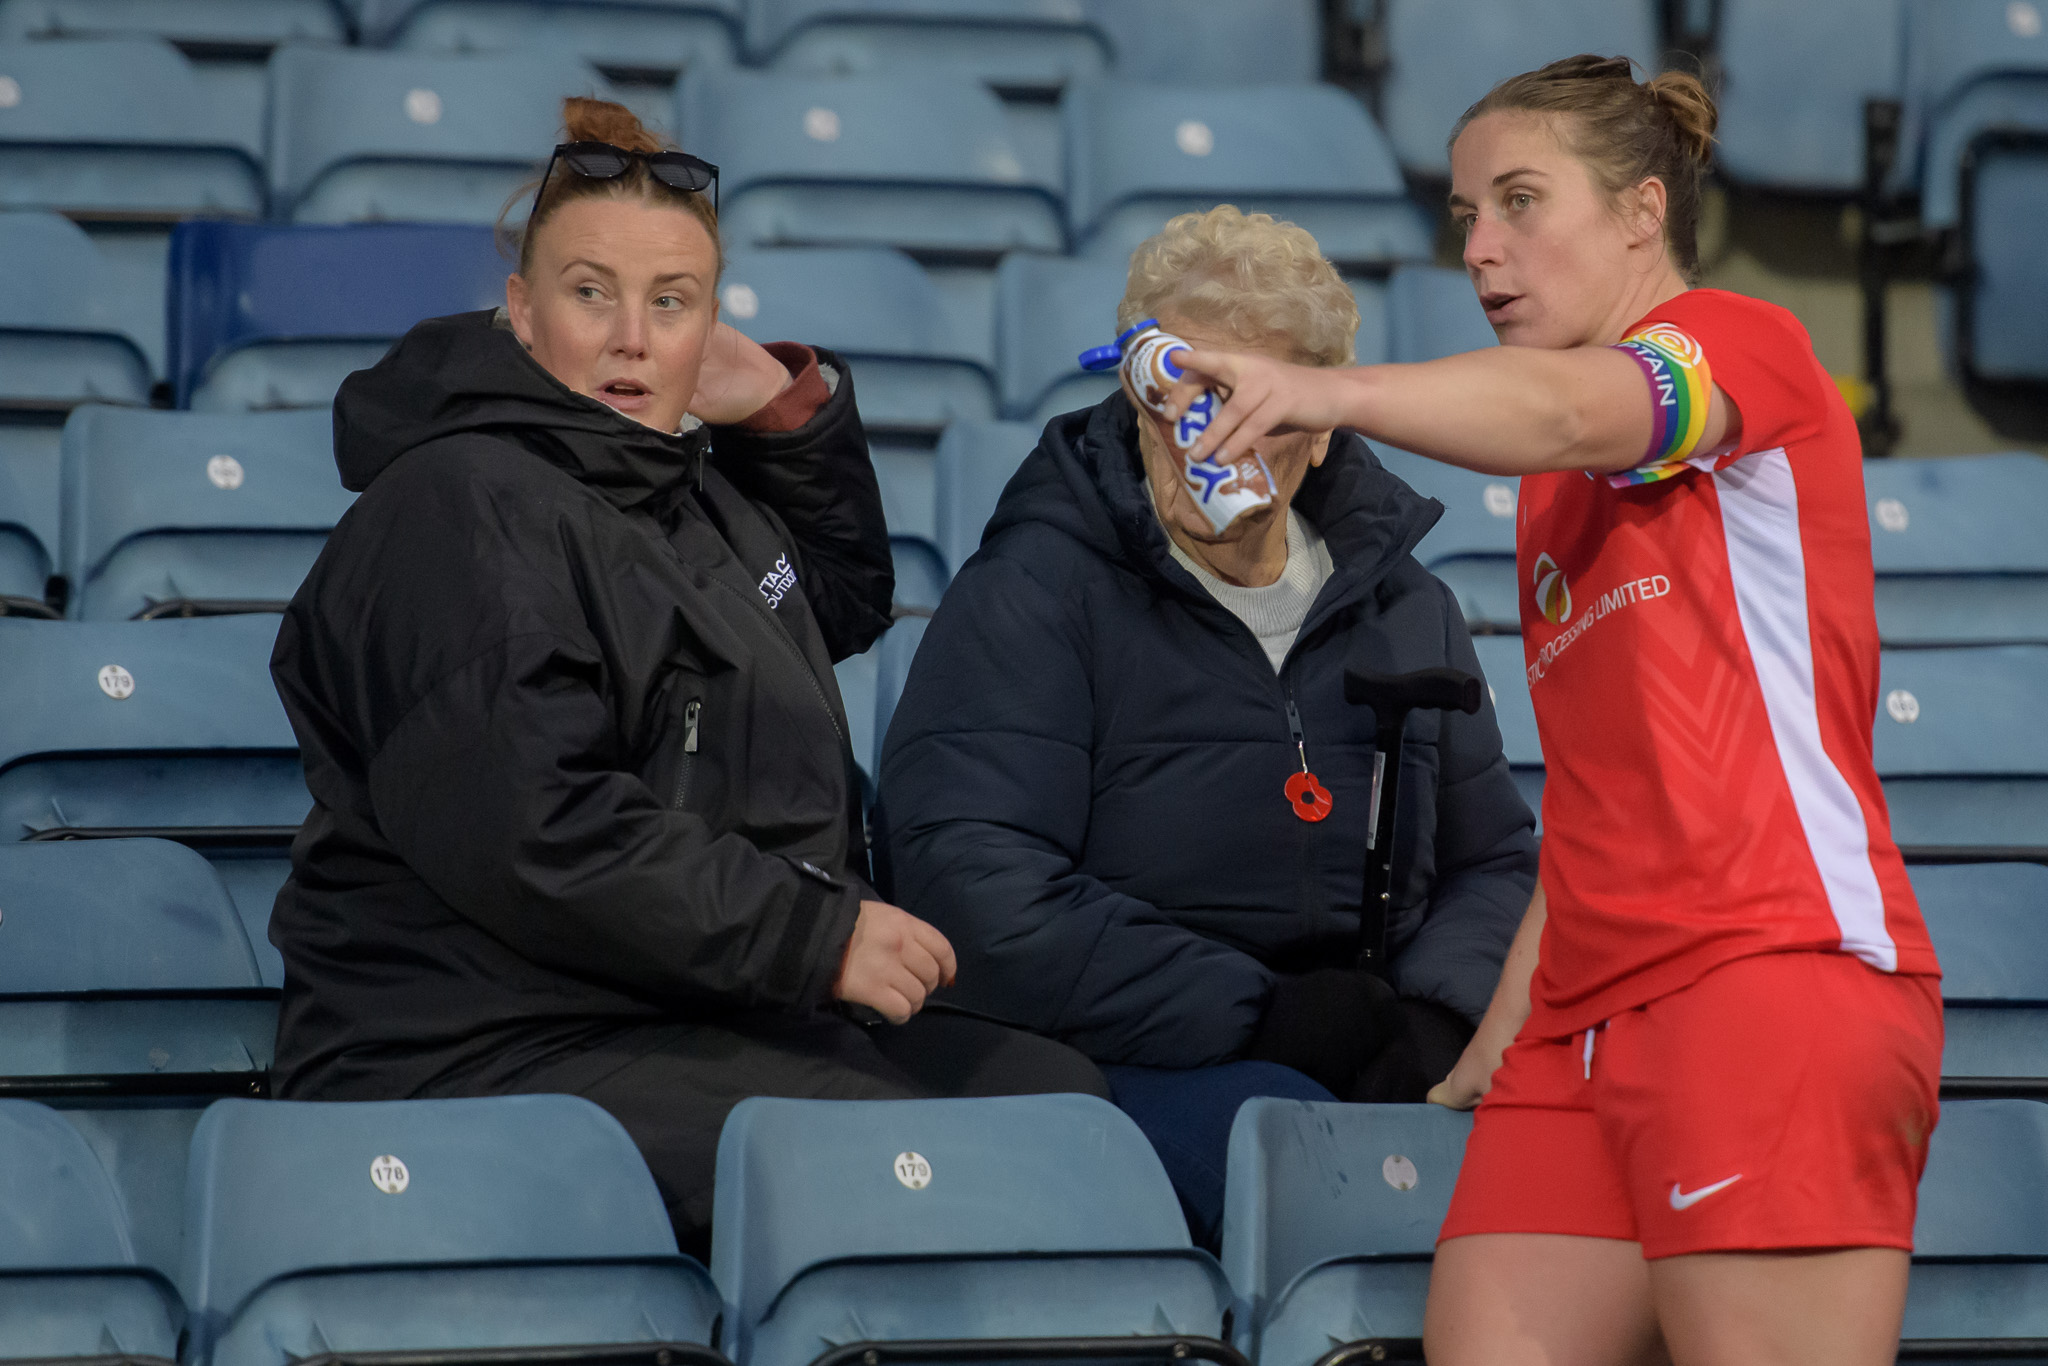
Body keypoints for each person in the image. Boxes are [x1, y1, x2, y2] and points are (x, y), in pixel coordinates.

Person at [1157, 57, 1942, 1366]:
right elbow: (1592, 803)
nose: (1483, 248)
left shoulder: (1741, 347)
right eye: (1466, 214)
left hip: (1765, 983)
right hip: (1579, 1029)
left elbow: (1571, 407)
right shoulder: (1551, 495)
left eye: (1522, 202)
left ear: (1643, 210)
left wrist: (1329, 391)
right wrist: (1505, 1035)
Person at [267, 96, 1107, 1256]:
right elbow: (543, 831)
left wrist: (783, 412)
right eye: (589, 292)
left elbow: (832, 604)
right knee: (923, 1173)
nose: (630, 338)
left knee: (1061, 1107)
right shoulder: (460, 507)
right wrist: (815, 939)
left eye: (670, 304)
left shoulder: (682, 487)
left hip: (675, 1005)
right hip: (466, 1044)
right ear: (519, 312)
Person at [874, 206, 1539, 1245]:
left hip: (1375, 1045)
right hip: (1125, 1051)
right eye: (1178, 396)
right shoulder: (1035, 589)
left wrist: (1435, 1015)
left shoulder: (1407, 605)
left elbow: (1492, 858)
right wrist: (1257, 1011)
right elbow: (970, 875)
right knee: (1335, 1201)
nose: (1206, 439)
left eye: (1251, 405)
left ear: (1320, 427)